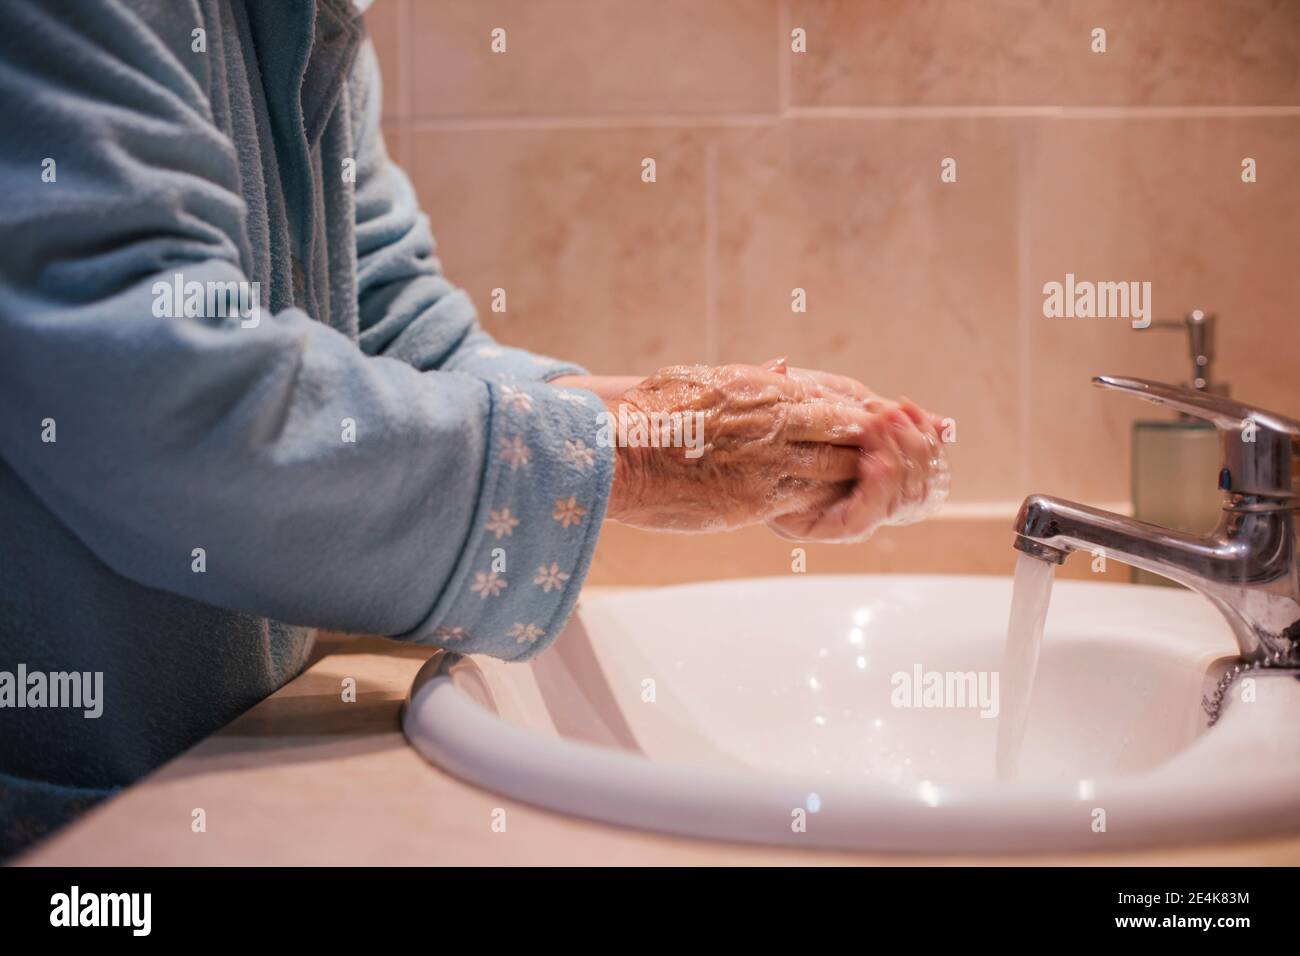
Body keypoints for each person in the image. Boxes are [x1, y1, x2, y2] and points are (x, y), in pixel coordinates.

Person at [0, 0, 946, 858]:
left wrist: (744, 439)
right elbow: (162, 396)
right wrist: (651, 452)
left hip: (199, 778)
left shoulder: (309, 18)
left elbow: (392, 319)